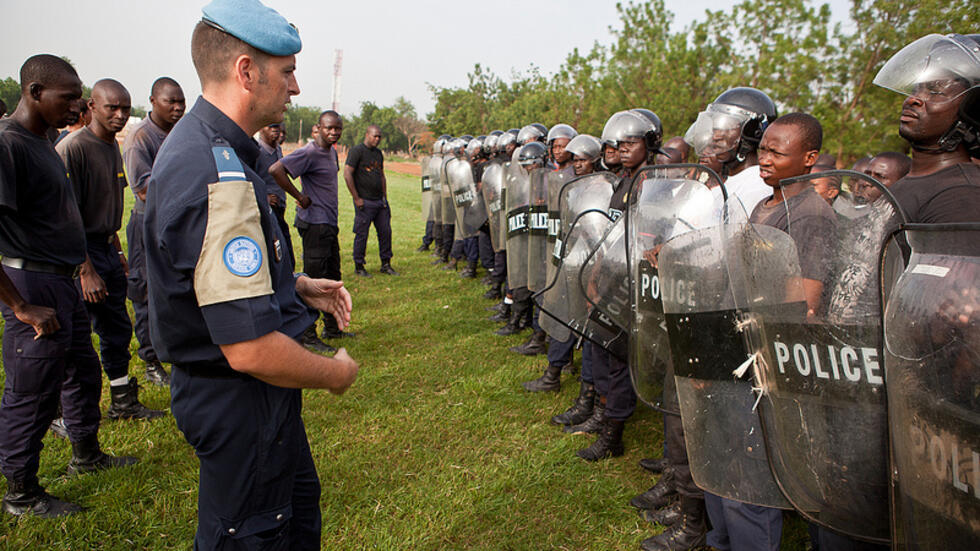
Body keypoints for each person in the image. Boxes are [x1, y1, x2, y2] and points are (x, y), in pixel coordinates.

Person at [145, 2, 360, 547]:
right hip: (241, 398)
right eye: (286, 71)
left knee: (290, 518)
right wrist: (334, 373)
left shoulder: (215, 151)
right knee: (252, 534)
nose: (294, 86)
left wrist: (296, 287)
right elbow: (250, 350)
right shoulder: (217, 172)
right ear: (246, 71)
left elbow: (212, 281)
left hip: (249, 399)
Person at [0, 54, 137, 519]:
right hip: (32, 281)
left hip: (64, 281)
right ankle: (21, 494)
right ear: (35, 92)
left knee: (82, 369)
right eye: (69, 96)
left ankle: (86, 453)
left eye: (80, 96)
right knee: (32, 392)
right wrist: (19, 306)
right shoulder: (9, 144)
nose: (77, 105)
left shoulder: (47, 141)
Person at [56, 79, 165, 421]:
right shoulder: (73, 147)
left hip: (105, 247)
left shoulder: (110, 146)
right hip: (79, 253)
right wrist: (85, 269)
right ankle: (59, 411)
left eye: (125, 109)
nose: (119, 115)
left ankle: (122, 400)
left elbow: (107, 209)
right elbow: (65, 216)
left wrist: (117, 252)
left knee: (117, 327)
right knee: (75, 335)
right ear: (91, 106)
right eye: (111, 108)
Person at [873, 33, 980, 223]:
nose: (912, 99)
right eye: (916, 89)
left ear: (971, 109)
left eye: (935, 91)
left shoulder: (961, 196)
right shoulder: (908, 184)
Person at [121, 76, 186, 388]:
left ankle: (172, 348)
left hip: (176, 223)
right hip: (148, 225)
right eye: (170, 101)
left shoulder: (179, 134)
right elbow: (145, 188)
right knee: (145, 290)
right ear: (153, 101)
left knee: (174, 286)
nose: (176, 107)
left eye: (180, 102)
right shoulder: (141, 137)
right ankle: (150, 360)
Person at [270, 109, 353, 346]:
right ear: (319, 127)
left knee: (332, 277)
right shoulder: (309, 152)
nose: (334, 132)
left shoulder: (330, 152)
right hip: (314, 224)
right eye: (329, 128)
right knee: (315, 280)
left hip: (328, 223)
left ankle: (332, 328)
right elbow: (276, 170)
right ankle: (307, 334)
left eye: (338, 128)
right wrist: (298, 195)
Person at [346, 124, 397, 277]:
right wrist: (356, 198)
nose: (377, 139)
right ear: (367, 135)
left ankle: (386, 264)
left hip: (379, 202)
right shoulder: (357, 151)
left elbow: (381, 175)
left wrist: (385, 198)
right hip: (364, 202)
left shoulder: (378, 153)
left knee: (385, 232)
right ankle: (359, 266)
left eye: (379, 136)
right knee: (362, 234)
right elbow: (347, 174)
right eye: (375, 136)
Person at [256, 122, 294, 265]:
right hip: (267, 209)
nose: (275, 131)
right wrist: (263, 197)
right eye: (270, 127)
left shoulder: (277, 149)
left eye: (277, 127)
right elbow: (248, 178)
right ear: (261, 128)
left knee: (286, 249)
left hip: (280, 205)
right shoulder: (256, 151)